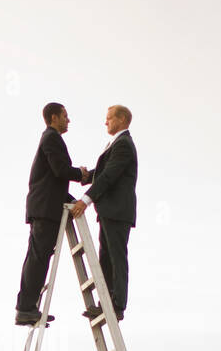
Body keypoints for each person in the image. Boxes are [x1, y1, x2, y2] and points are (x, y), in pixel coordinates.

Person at [15, 102, 85, 326]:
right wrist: (82, 175)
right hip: (45, 210)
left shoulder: (49, 138)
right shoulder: (52, 138)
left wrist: (72, 200)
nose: (68, 120)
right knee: (38, 258)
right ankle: (26, 307)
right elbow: (60, 171)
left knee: (38, 257)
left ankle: (28, 306)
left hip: (45, 206)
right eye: (65, 116)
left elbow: (51, 181)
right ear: (54, 117)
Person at [71, 105, 137, 322]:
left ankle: (117, 305)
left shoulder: (124, 144)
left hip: (118, 211)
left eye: (109, 118)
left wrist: (86, 200)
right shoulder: (116, 144)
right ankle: (106, 303)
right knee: (106, 258)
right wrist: (79, 175)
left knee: (116, 257)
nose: (105, 122)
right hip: (109, 211)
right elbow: (101, 173)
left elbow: (109, 176)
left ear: (121, 119)